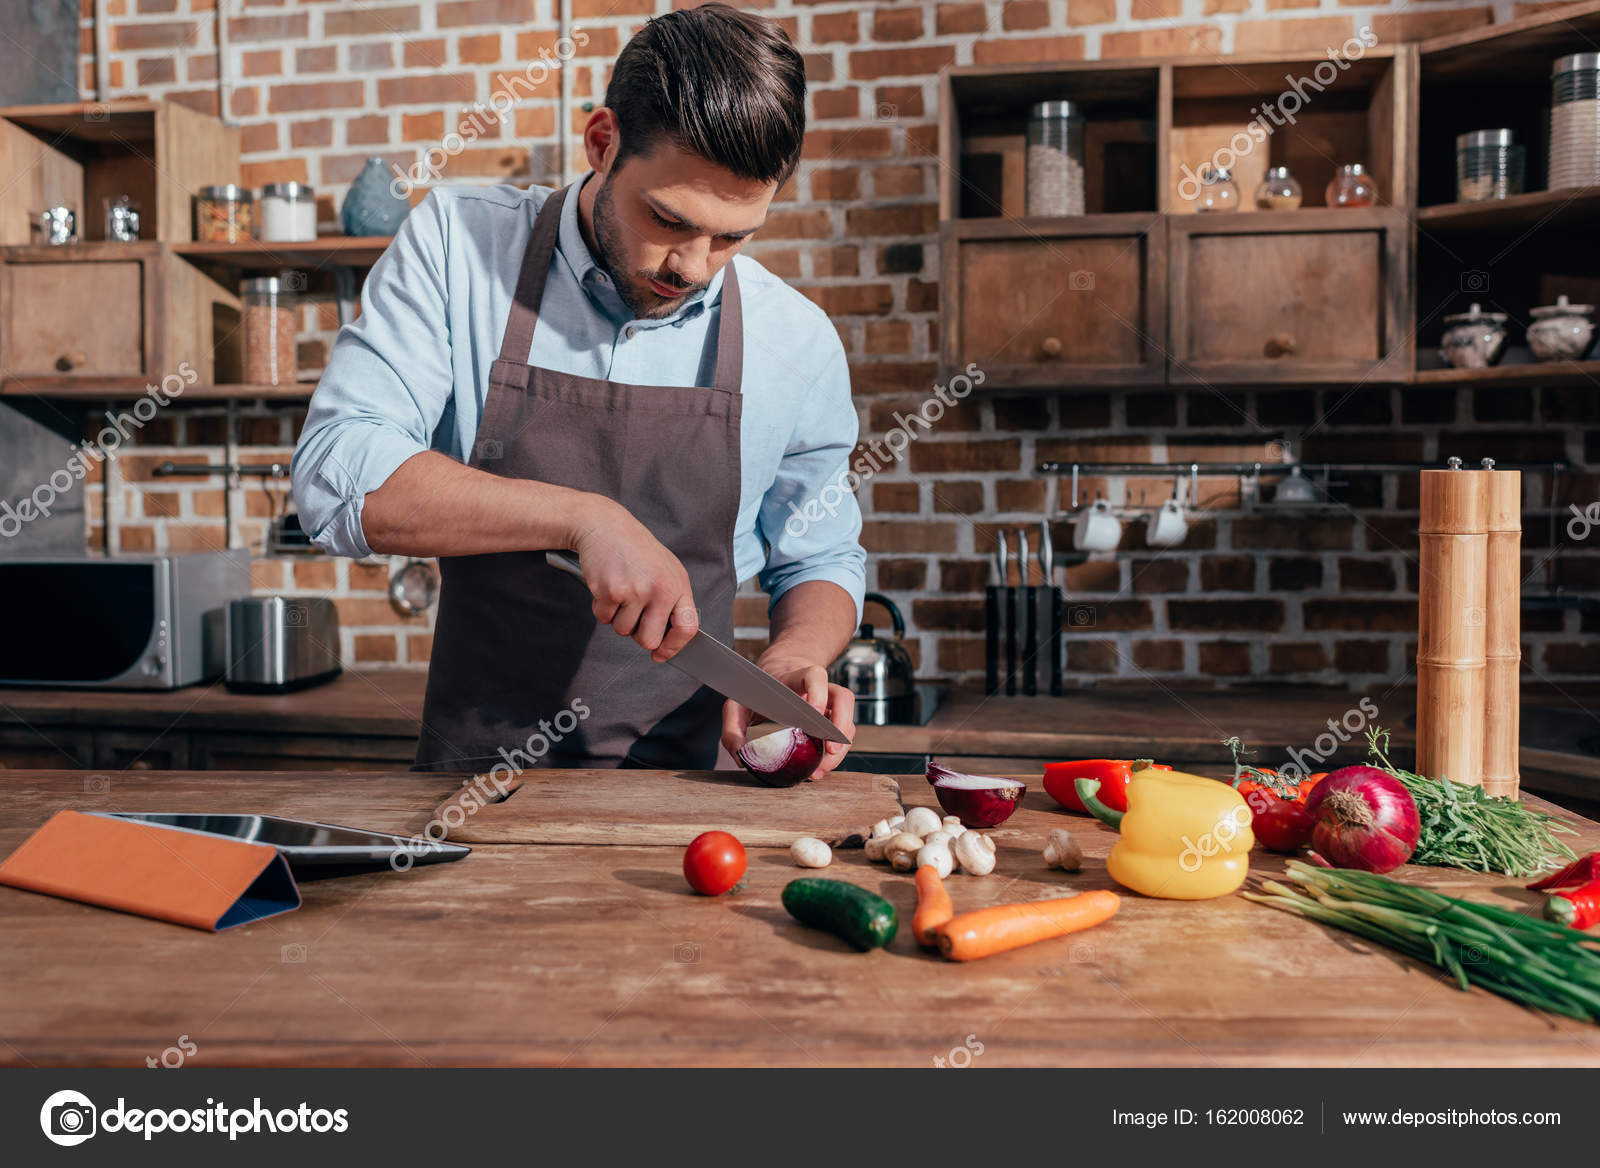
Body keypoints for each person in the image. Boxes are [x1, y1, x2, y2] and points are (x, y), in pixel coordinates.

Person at [291, 4, 864, 775]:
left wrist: (797, 655)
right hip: (476, 786)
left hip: (690, 793)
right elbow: (338, 476)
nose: (692, 267)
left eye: (732, 237)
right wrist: (582, 520)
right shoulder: (459, 247)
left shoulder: (793, 338)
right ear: (602, 143)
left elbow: (819, 553)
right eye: (668, 218)